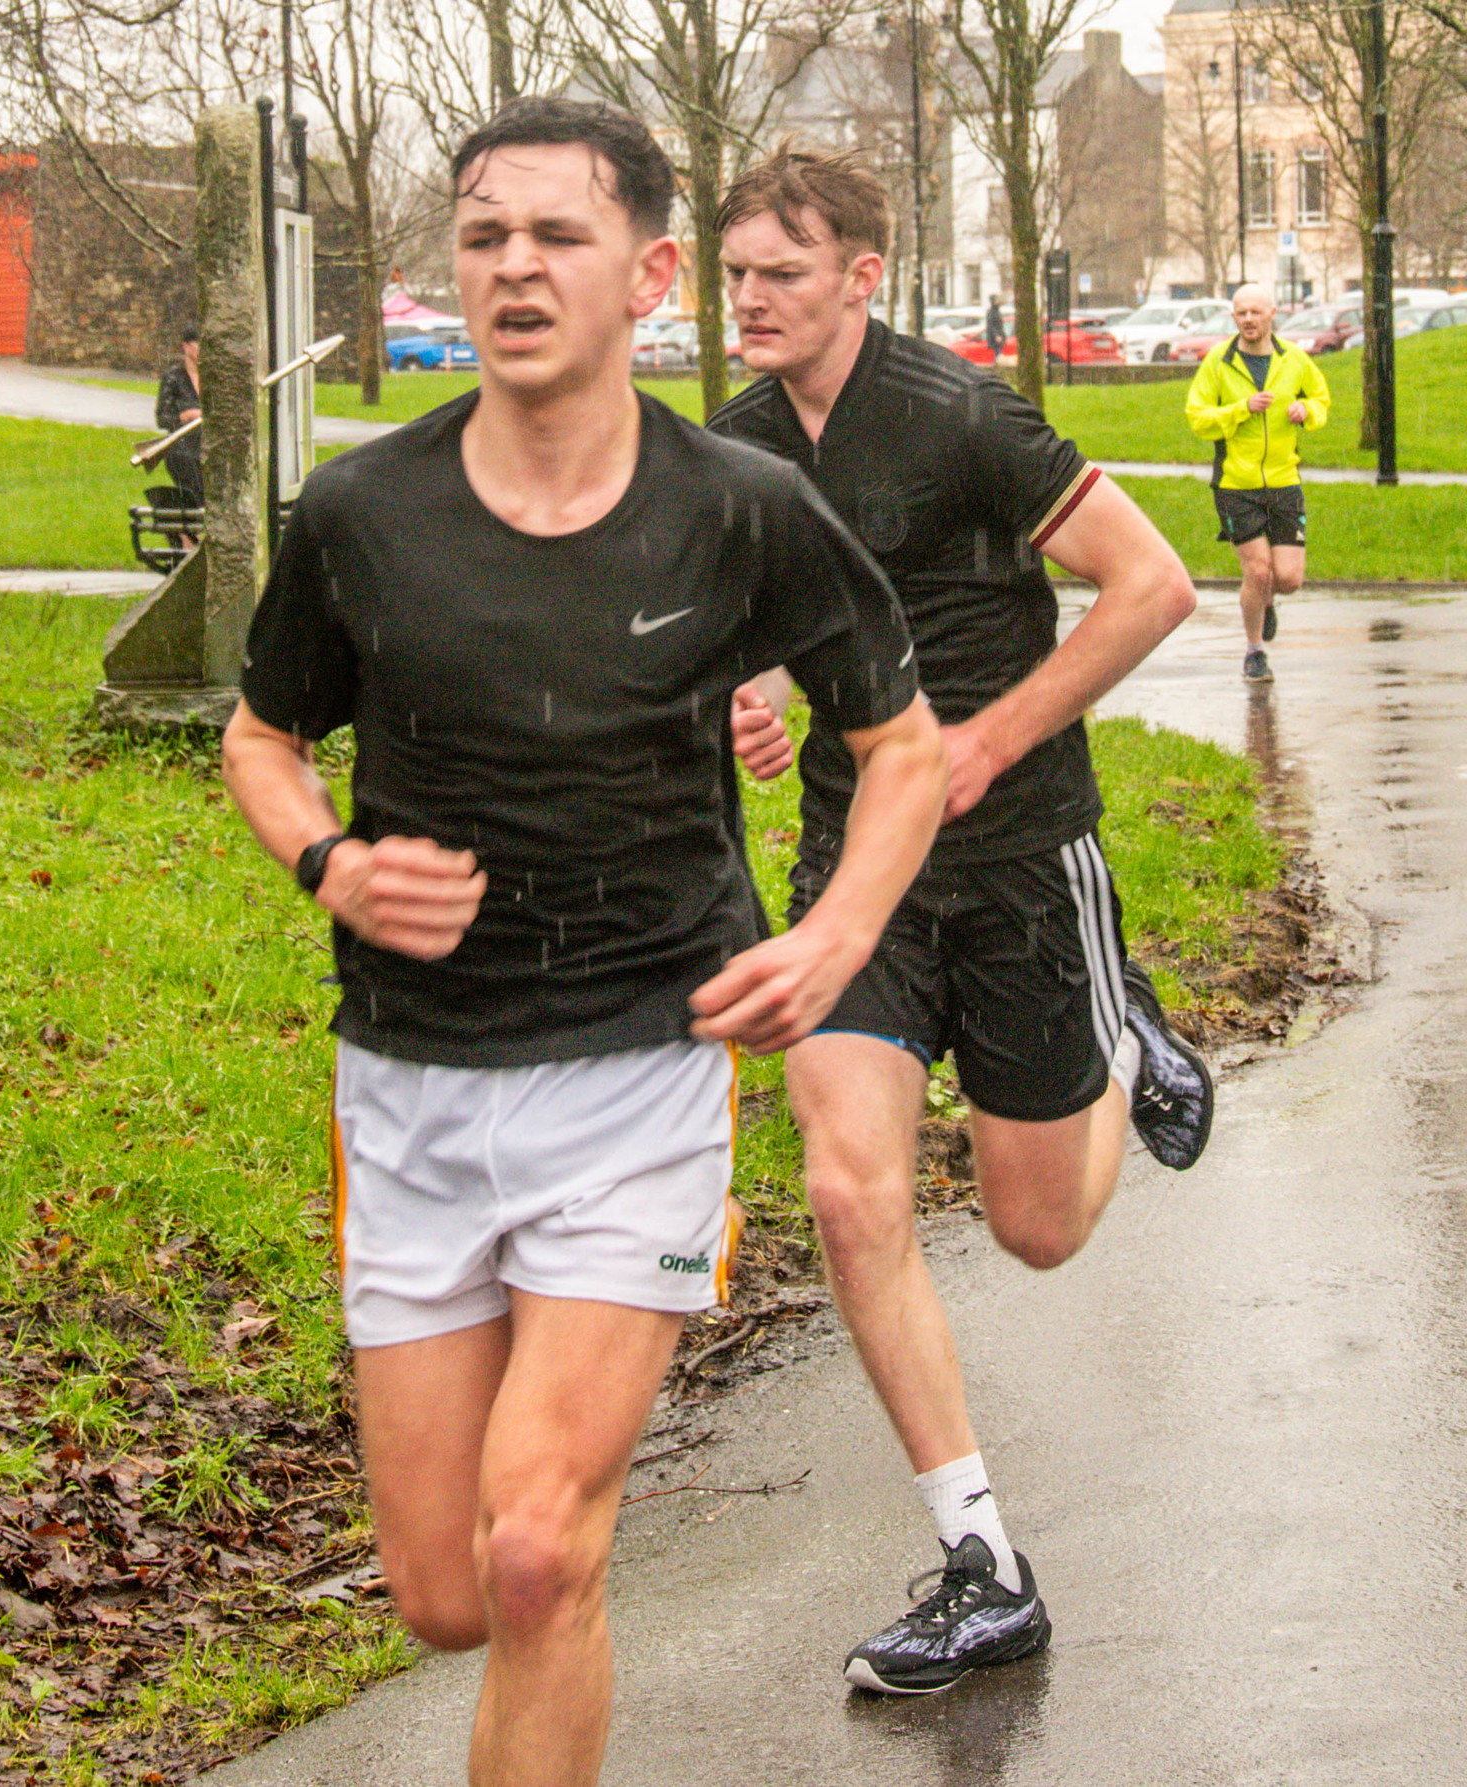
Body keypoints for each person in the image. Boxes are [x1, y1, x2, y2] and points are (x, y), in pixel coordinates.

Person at [223, 98, 948, 1787]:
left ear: (650, 272)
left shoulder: (740, 507)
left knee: (542, 1546)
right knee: (448, 1592)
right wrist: (330, 860)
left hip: (638, 1071)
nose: (516, 267)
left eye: (556, 235)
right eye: (484, 236)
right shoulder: (360, 514)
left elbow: (901, 742)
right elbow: (260, 739)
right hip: (405, 1088)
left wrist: (837, 937)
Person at [709, 143, 1212, 1696]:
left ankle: (1120, 1029)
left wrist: (989, 739)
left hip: (1014, 851)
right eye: (734, 276)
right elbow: (777, 622)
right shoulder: (733, 450)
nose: (749, 304)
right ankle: (982, 1556)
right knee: (851, 1187)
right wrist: (767, 691)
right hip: (856, 871)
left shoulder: (963, 416)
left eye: (778, 275)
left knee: (1036, 1228)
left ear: (862, 275)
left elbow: (1151, 584)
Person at [1185, 282, 1330, 683]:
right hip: (1236, 484)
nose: (1248, 320)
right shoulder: (1219, 361)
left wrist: (1307, 410)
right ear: (1234, 318)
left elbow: (1321, 398)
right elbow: (1197, 416)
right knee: (1258, 570)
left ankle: (1267, 602)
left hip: (1284, 481)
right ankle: (1254, 652)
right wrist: (1239, 409)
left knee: (1288, 579)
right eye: (1241, 313)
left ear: (1272, 315)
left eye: (1255, 312)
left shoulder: (1294, 359)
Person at [153, 321, 205, 503]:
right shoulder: (173, 378)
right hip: (183, 448)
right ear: (186, 346)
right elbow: (162, 418)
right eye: (199, 344)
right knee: (193, 489)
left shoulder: (213, 378)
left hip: (208, 446)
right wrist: (184, 417)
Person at [983, 291, 1005, 358]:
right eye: (997, 300)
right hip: (996, 339)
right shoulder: (992, 312)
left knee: (998, 354)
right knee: (998, 355)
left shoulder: (996, 311)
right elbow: (991, 326)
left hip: (999, 337)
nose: (999, 301)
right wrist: (996, 336)